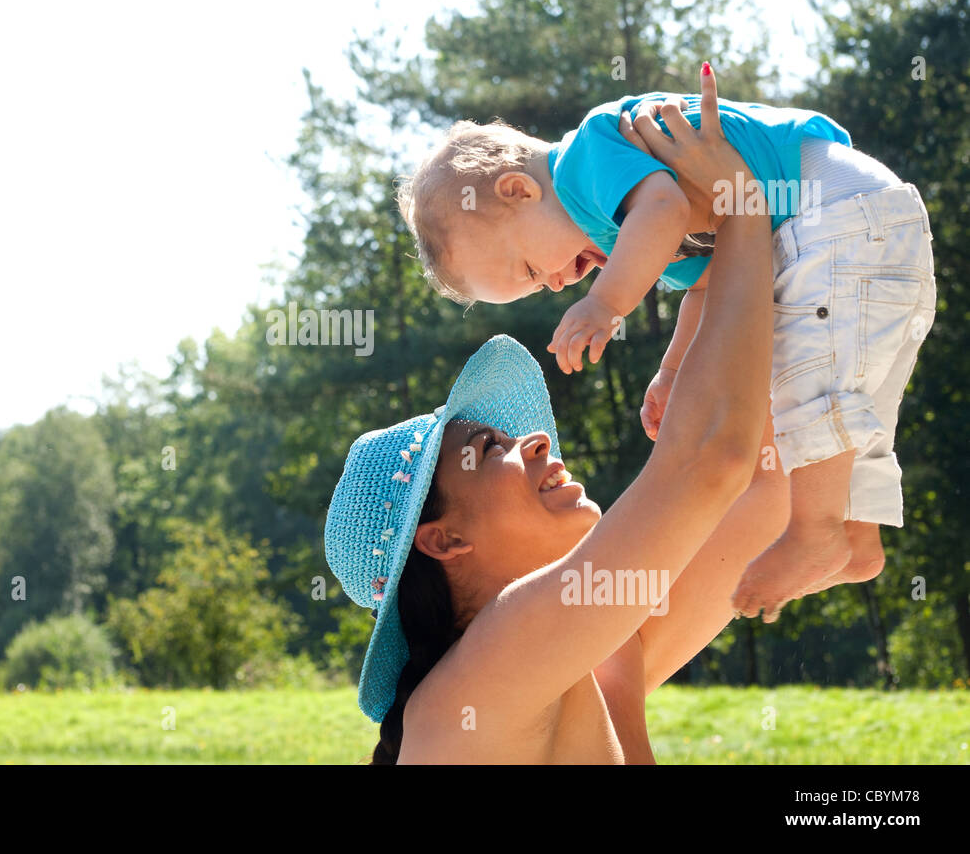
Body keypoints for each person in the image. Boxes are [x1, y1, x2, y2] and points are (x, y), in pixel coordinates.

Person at [324, 65, 780, 763]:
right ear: (442, 542)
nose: (536, 440)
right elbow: (715, 460)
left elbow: (761, 485)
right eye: (485, 447)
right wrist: (744, 209)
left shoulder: (595, 656)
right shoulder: (488, 670)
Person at [394, 64, 936, 620]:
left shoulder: (587, 158)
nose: (555, 284)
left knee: (810, 380)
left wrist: (605, 303)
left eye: (532, 269)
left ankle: (814, 528)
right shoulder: (627, 229)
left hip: (835, 218)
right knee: (854, 393)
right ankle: (857, 534)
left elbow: (665, 209)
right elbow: (710, 281)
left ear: (518, 189)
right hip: (869, 229)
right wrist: (673, 369)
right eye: (538, 287)